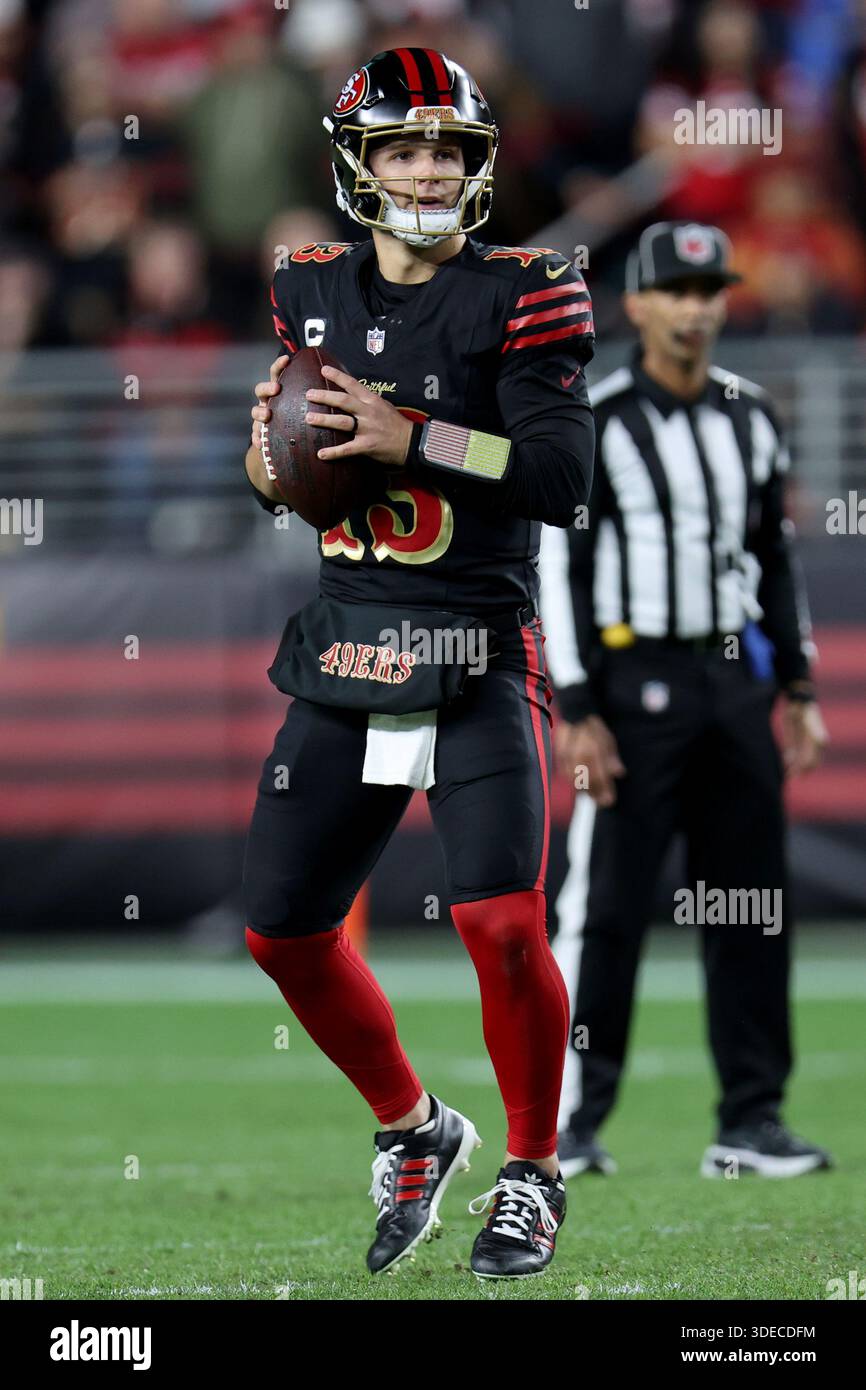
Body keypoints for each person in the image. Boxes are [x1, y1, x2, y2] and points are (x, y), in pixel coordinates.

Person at [242, 48, 596, 1278]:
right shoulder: (307, 286)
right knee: (280, 934)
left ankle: (532, 1171)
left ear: (477, 163)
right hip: (348, 641)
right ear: (358, 164)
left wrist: (417, 433)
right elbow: (311, 474)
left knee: (500, 920)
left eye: (446, 147)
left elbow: (560, 481)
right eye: (402, 146)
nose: (428, 166)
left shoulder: (527, 289)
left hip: (475, 644)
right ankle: (412, 1126)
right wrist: (270, 467)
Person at [540, 221, 833, 1181]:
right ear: (637, 305)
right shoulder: (600, 417)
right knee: (606, 909)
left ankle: (750, 1121)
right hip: (630, 686)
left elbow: (774, 560)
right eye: (678, 293)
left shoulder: (751, 416)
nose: (697, 312)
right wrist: (576, 705)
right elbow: (561, 567)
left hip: (732, 684)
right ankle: (570, 1122)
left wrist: (796, 684)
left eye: (711, 295)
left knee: (751, 906)